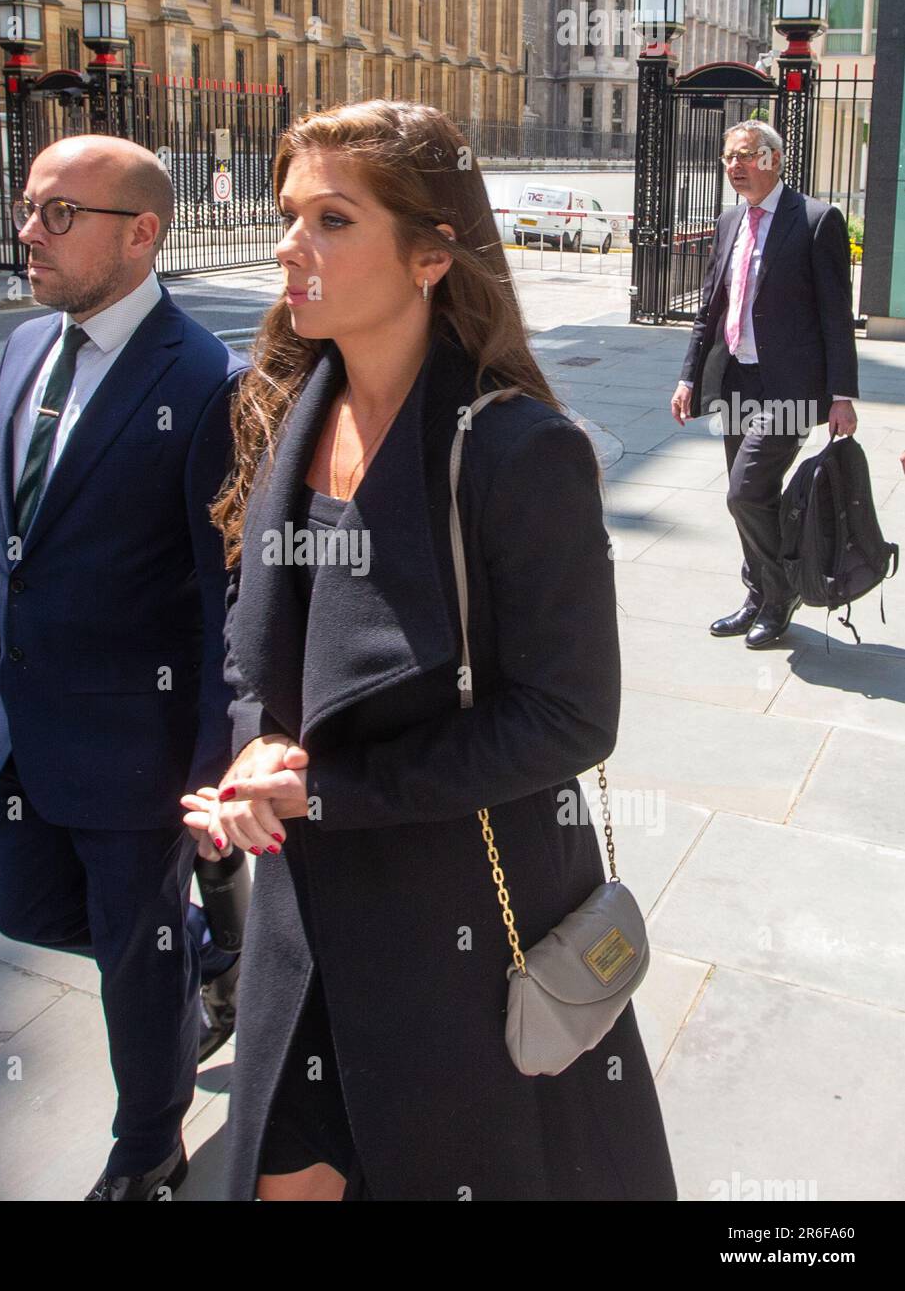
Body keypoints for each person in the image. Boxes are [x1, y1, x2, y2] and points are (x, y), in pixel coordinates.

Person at [180, 100, 678, 1201]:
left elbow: (568, 719)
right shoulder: (281, 412)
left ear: (428, 256)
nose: (286, 246)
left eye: (330, 220)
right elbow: (253, 646)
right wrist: (254, 759)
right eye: (288, 215)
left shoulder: (517, 450)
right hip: (301, 920)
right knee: (281, 1171)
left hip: (456, 925)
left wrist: (332, 789)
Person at [0, 134, 245, 1200]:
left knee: (134, 969)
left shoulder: (207, 380)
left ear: (141, 233)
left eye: (56, 213)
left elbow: (227, 594)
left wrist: (216, 762)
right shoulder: (24, 348)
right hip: (29, 730)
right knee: (25, 911)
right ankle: (210, 956)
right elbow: (0, 537)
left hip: (140, 750)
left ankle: (148, 1150)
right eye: (29, 206)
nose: (27, 231)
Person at [671, 119, 859, 649]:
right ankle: (758, 593)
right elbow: (710, 309)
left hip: (792, 389)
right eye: (728, 156)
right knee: (754, 495)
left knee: (744, 493)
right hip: (737, 380)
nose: (734, 165)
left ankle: (779, 596)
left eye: (746, 155)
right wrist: (689, 377)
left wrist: (842, 394)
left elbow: (835, 316)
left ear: (774, 159)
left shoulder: (817, 220)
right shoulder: (730, 220)